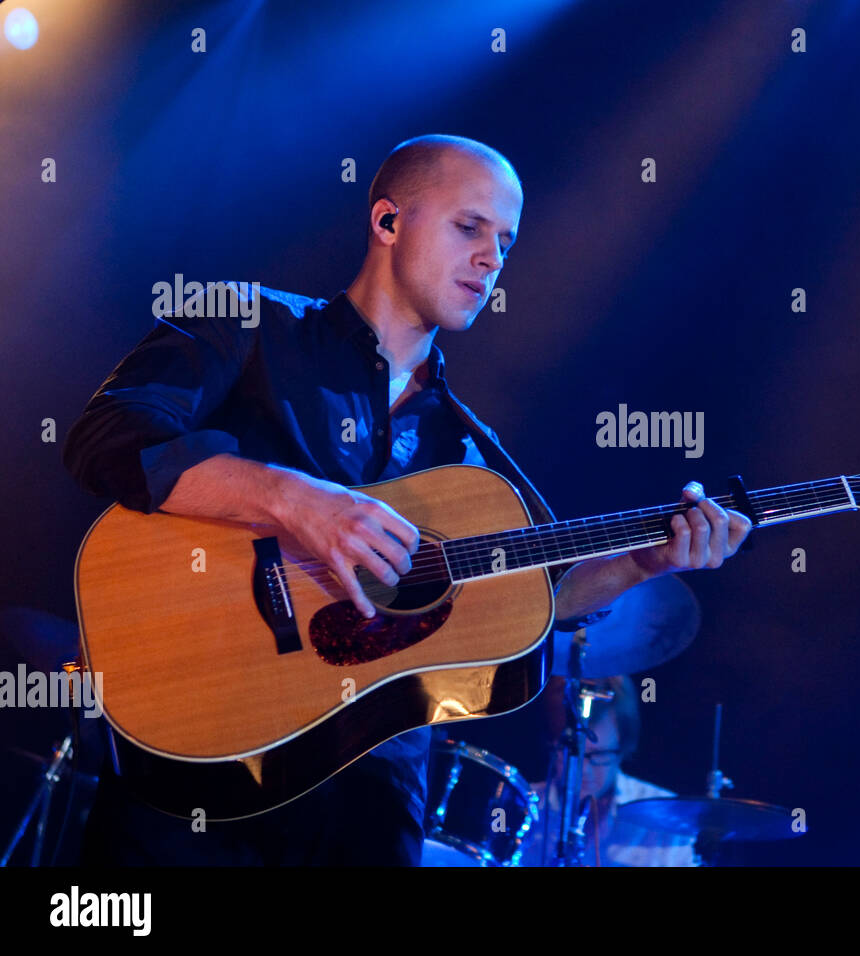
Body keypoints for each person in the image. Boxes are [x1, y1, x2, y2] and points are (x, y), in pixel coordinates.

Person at [63, 134, 752, 865]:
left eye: (507, 242)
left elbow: (547, 591)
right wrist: (293, 499)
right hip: (195, 760)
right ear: (388, 222)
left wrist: (645, 560)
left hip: (367, 796)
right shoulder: (248, 324)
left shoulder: (471, 450)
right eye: (470, 227)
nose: (492, 258)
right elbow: (108, 433)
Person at [525, 676, 697, 867]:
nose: (583, 770)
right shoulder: (519, 808)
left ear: (622, 748)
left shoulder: (671, 818)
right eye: (570, 753)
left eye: (598, 755)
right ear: (550, 744)